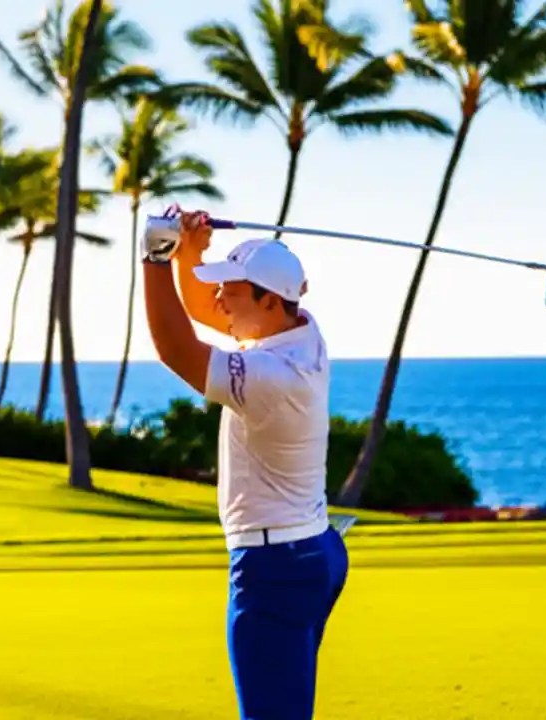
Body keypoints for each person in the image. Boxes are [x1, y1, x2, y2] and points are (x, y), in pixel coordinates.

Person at [140, 206, 350, 719]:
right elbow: (205, 312)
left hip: (274, 567)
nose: (218, 300)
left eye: (229, 290)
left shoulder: (273, 375)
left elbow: (175, 348)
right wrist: (192, 253)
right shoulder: (297, 331)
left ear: (269, 300)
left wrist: (154, 258)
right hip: (314, 550)